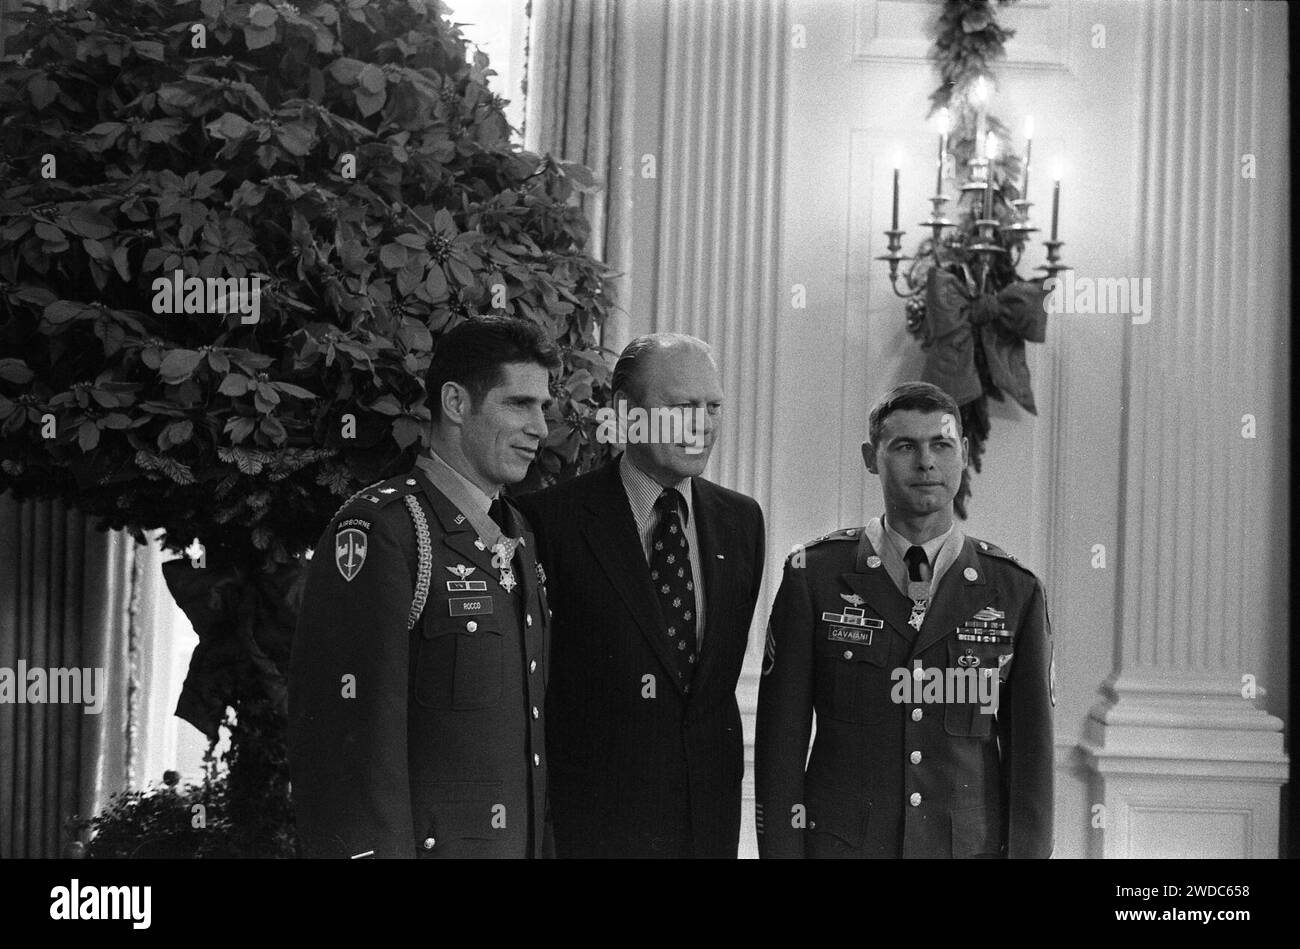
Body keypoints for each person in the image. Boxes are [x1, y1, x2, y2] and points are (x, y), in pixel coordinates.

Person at [288, 315, 560, 858]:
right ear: (456, 404)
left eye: (543, 409)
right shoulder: (383, 529)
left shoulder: (517, 531)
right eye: (519, 404)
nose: (541, 429)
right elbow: (348, 749)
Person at [755, 381, 1054, 858]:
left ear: (964, 453)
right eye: (904, 446)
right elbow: (780, 747)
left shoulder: (1014, 591)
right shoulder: (815, 577)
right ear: (871, 457)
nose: (926, 462)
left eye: (941, 444)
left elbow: (1031, 762)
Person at [517, 333, 766, 858]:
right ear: (627, 413)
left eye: (712, 406)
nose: (702, 424)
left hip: (707, 827)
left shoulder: (743, 521)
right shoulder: (550, 521)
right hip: (593, 829)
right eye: (682, 407)